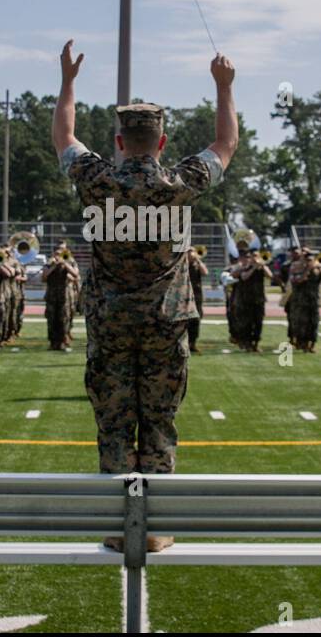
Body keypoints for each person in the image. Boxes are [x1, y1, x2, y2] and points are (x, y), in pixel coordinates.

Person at [53, 39, 238, 554]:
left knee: (114, 422)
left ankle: (117, 524)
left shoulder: (95, 179)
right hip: (164, 324)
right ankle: (154, 527)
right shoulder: (180, 183)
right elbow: (226, 144)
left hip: (110, 325)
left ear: (118, 140)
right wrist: (224, 88)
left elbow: (63, 135)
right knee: (158, 421)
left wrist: (68, 81)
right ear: (161, 143)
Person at [231, 247, 274, 352]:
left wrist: (262, 265)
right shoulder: (245, 267)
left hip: (259, 299)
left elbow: (270, 276)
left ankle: (256, 343)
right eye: (253, 256)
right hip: (246, 300)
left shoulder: (261, 267)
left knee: (259, 322)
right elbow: (244, 277)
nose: (255, 258)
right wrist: (253, 267)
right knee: (247, 323)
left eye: (256, 256)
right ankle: (247, 343)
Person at [288, 249, 321, 352]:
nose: (309, 261)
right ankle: (301, 343)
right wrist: (307, 269)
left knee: (314, 323)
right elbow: (298, 280)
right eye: (307, 259)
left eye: (311, 260)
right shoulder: (297, 268)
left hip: (313, 301)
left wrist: (319, 267)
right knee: (301, 323)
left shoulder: (317, 270)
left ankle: (311, 345)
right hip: (300, 302)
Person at [42, 243, 80, 350]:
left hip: (65, 296)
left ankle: (63, 340)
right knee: (51, 319)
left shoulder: (71, 261)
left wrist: (65, 264)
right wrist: (54, 266)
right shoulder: (50, 262)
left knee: (64, 319)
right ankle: (53, 342)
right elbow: (44, 277)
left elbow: (76, 274)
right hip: (52, 296)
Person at [186, 248, 209, 353]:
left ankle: (193, 343)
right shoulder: (183, 264)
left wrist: (198, 260)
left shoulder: (197, 264)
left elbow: (205, 273)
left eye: (192, 251)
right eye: (189, 252)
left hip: (196, 296)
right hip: (185, 296)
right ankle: (185, 343)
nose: (191, 254)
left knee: (196, 319)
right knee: (185, 321)